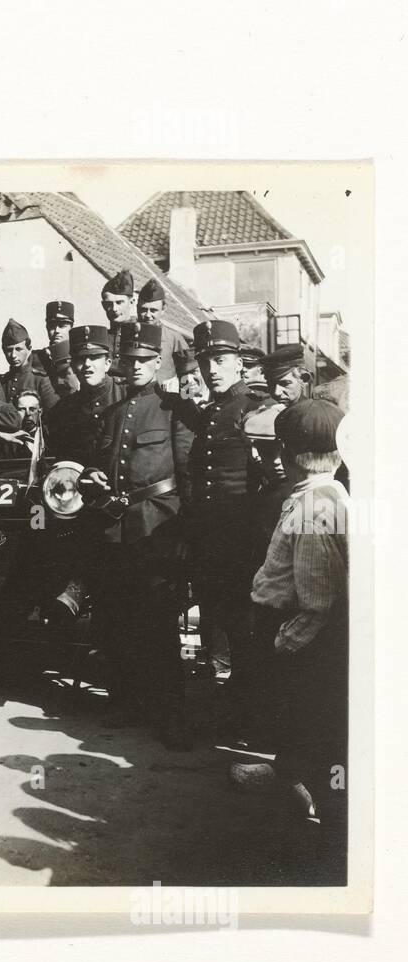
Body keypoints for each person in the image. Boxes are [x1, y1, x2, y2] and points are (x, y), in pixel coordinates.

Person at [233, 398, 348, 857]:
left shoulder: (312, 508)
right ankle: (291, 777)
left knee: (307, 721)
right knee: (300, 723)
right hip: (300, 634)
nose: (267, 455)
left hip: (299, 637)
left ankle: (323, 822)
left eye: (274, 447)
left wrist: (283, 643)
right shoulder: (326, 493)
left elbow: (318, 599)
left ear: (290, 452)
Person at [172, 318, 284, 740]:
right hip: (210, 539)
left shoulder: (255, 408)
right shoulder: (213, 413)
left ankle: (254, 716)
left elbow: (270, 480)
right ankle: (238, 708)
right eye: (207, 362)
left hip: (241, 541)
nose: (212, 370)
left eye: (221, 360)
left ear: (239, 363)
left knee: (245, 630)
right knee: (223, 625)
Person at [87, 322, 189, 748]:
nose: (134, 368)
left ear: (156, 362)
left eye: (143, 361)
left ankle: (170, 712)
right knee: (118, 618)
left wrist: (183, 531)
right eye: (128, 362)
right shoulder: (112, 414)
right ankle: (126, 700)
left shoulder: (173, 410)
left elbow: (186, 474)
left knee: (159, 622)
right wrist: (93, 476)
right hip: (116, 528)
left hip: (159, 525)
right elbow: (101, 464)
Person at [48, 324, 125, 464]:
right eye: (80, 359)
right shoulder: (64, 409)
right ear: (73, 366)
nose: (87, 364)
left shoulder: (126, 395)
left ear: (107, 363)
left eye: (94, 357)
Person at [136, 278, 188, 386]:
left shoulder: (174, 338)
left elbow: (187, 372)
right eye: (143, 310)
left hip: (166, 398)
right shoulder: (129, 334)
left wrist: (188, 399)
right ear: (137, 308)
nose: (148, 315)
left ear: (163, 310)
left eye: (153, 310)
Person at [0, 318, 59, 410]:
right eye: (9, 350)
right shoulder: (3, 381)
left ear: (29, 348)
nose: (13, 355)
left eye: (18, 349)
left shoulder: (41, 380)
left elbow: (53, 413)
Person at [101, 269, 137, 363]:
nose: (114, 309)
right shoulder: (101, 338)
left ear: (132, 302)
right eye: (109, 304)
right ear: (103, 305)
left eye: (119, 302)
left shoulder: (144, 334)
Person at [32, 299, 75, 374]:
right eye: (52, 326)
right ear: (47, 327)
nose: (57, 330)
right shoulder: (35, 359)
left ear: (71, 328)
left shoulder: (78, 358)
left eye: (62, 326)